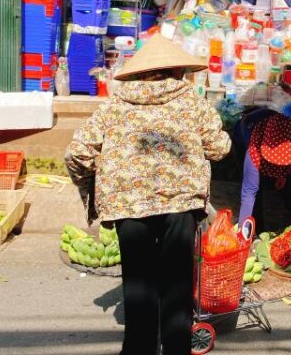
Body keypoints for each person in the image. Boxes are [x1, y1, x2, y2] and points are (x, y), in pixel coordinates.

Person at [65, 33, 231, 355]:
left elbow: (77, 154)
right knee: (177, 286)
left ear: (138, 72)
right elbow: (220, 148)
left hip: (127, 205)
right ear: (177, 71)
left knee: (138, 286)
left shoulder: (114, 105)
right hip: (180, 202)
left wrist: (90, 187)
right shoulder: (192, 102)